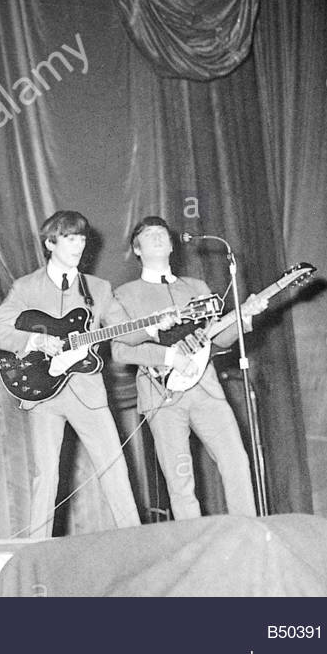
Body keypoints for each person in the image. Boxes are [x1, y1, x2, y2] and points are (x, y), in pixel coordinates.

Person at [0, 210, 142, 538]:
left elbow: (126, 331)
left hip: (88, 392)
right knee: (46, 475)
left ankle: (135, 538)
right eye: (70, 237)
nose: (78, 245)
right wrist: (35, 340)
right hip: (44, 393)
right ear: (50, 242)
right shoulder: (26, 287)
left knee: (115, 468)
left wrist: (155, 324)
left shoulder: (98, 288)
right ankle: (37, 547)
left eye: (82, 238)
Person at [110, 216, 267, 520]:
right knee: (181, 480)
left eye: (162, 233)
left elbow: (218, 341)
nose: (157, 236)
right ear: (137, 249)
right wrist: (169, 358)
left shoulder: (196, 287)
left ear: (171, 245)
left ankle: (249, 531)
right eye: (148, 233)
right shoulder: (125, 295)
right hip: (162, 397)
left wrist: (243, 318)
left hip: (207, 390)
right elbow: (119, 350)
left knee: (236, 460)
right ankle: (193, 544)